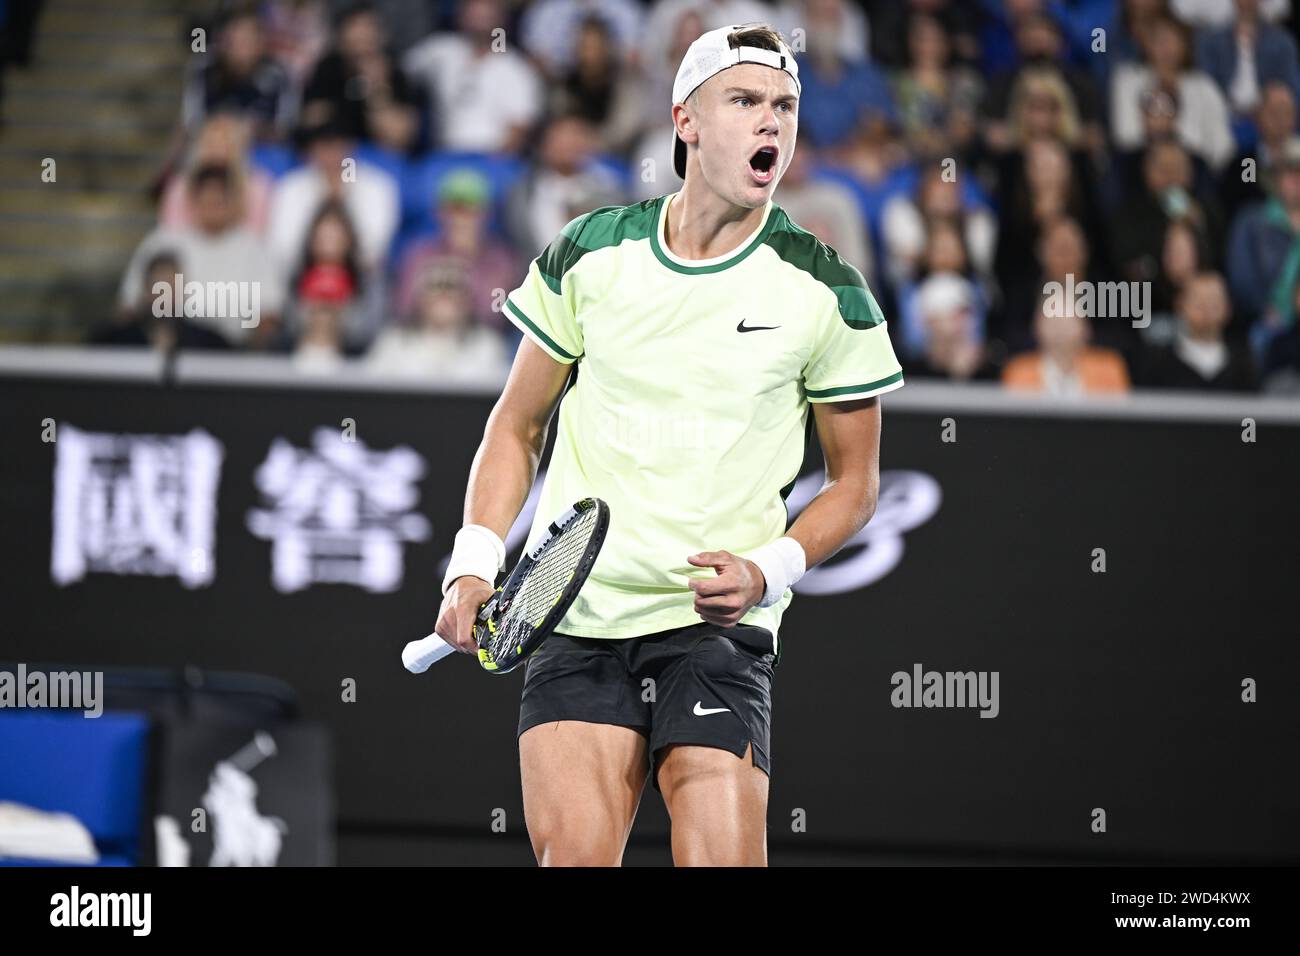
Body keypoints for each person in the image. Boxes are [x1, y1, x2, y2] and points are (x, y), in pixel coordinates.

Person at [432, 23, 903, 867]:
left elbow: (856, 485)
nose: (773, 122)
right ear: (686, 120)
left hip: (717, 633)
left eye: (785, 105)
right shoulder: (589, 252)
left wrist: (769, 571)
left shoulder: (829, 290)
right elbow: (517, 425)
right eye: (746, 100)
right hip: (576, 618)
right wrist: (473, 561)